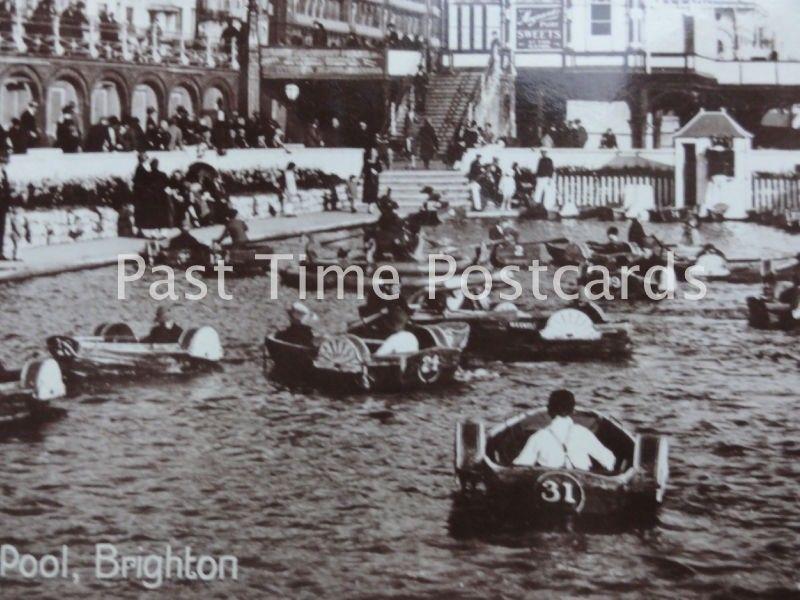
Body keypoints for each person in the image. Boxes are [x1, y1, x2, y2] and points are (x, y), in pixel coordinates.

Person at [513, 389, 616, 472]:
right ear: (572, 410)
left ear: (549, 410)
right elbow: (609, 460)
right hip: (583, 477)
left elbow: (521, 466)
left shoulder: (539, 436)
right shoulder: (583, 433)